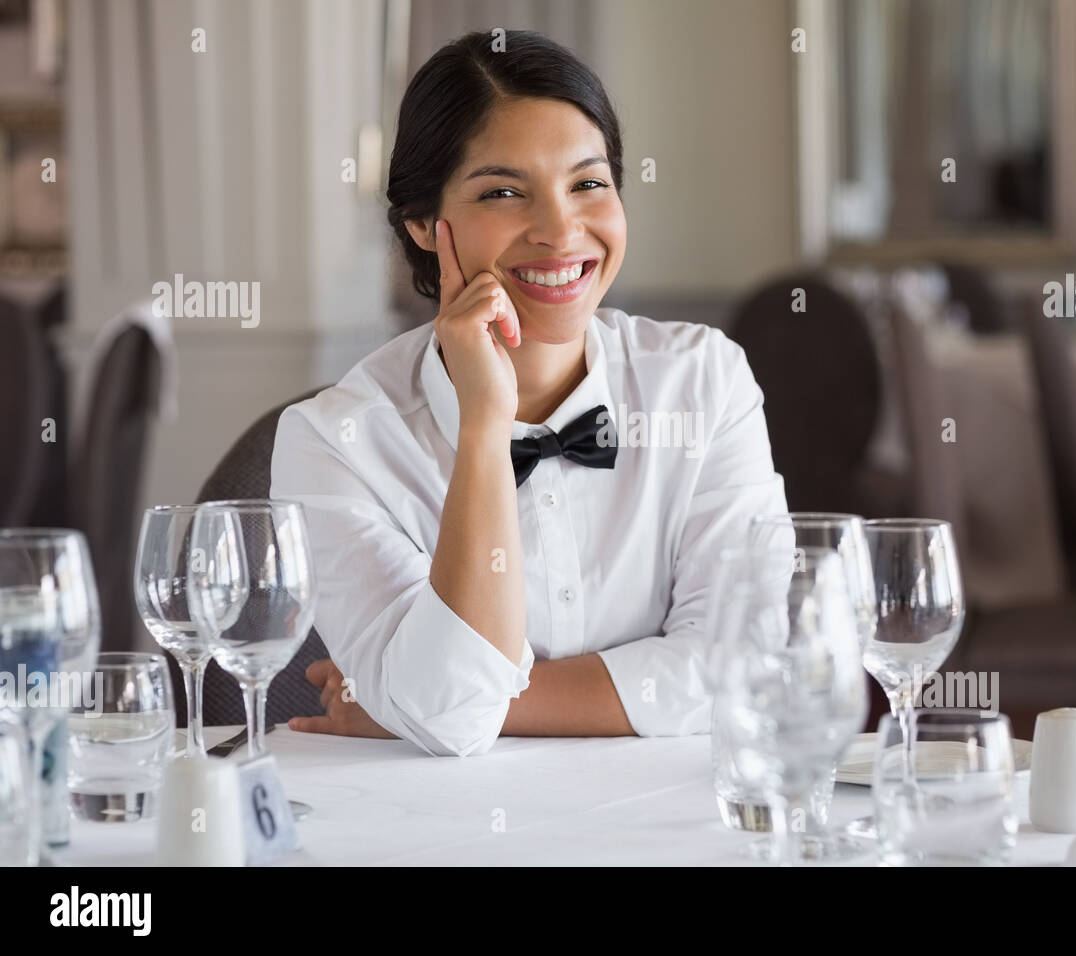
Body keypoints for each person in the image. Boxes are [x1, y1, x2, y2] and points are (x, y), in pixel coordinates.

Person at [268, 30, 787, 757]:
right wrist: (484, 426)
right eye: (504, 192)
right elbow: (450, 718)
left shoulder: (705, 382)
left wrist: (434, 701)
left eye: (588, 183)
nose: (560, 230)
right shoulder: (334, 443)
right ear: (422, 223)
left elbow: (751, 664)